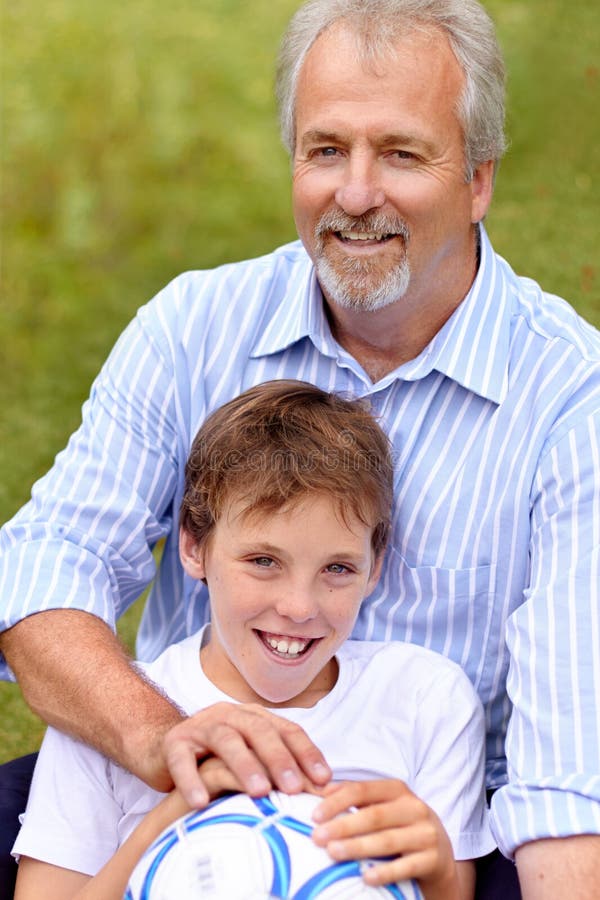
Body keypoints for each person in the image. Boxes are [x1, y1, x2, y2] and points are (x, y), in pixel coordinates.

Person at [0, 0, 599, 898]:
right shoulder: (193, 325)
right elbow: (44, 566)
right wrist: (162, 735)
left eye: (401, 152)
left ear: (478, 179)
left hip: (437, 834)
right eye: (326, 150)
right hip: (188, 790)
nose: (355, 195)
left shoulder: (573, 400)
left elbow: (568, 787)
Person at [12, 381, 494, 900]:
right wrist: (175, 816)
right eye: (264, 561)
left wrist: (440, 872)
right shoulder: (105, 716)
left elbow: (452, 891)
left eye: (337, 568)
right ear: (195, 546)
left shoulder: (427, 700)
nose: (299, 607)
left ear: (375, 568)